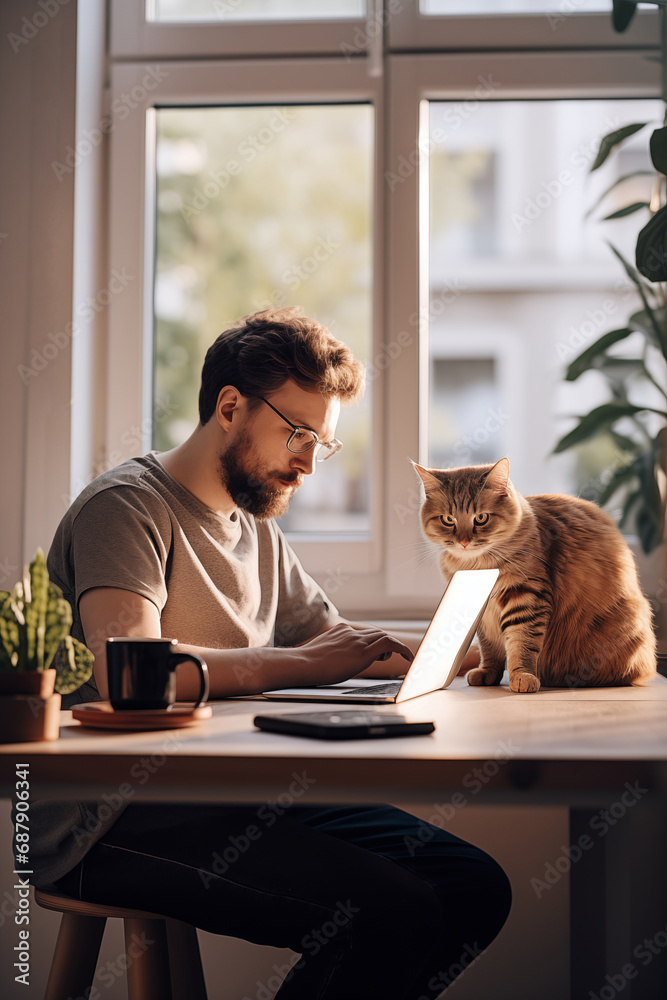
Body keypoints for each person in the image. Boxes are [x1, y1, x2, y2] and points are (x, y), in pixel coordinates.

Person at [29, 308, 511, 999]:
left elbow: (338, 645)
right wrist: (306, 665)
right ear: (230, 406)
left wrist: (462, 655)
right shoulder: (125, 508)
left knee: (472, 888)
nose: (310, 462)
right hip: (107, 816)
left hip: (224, 791)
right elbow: (127, 670)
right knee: (392, 914)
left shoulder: (254, 527)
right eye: (299, 433)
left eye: (324, 444)